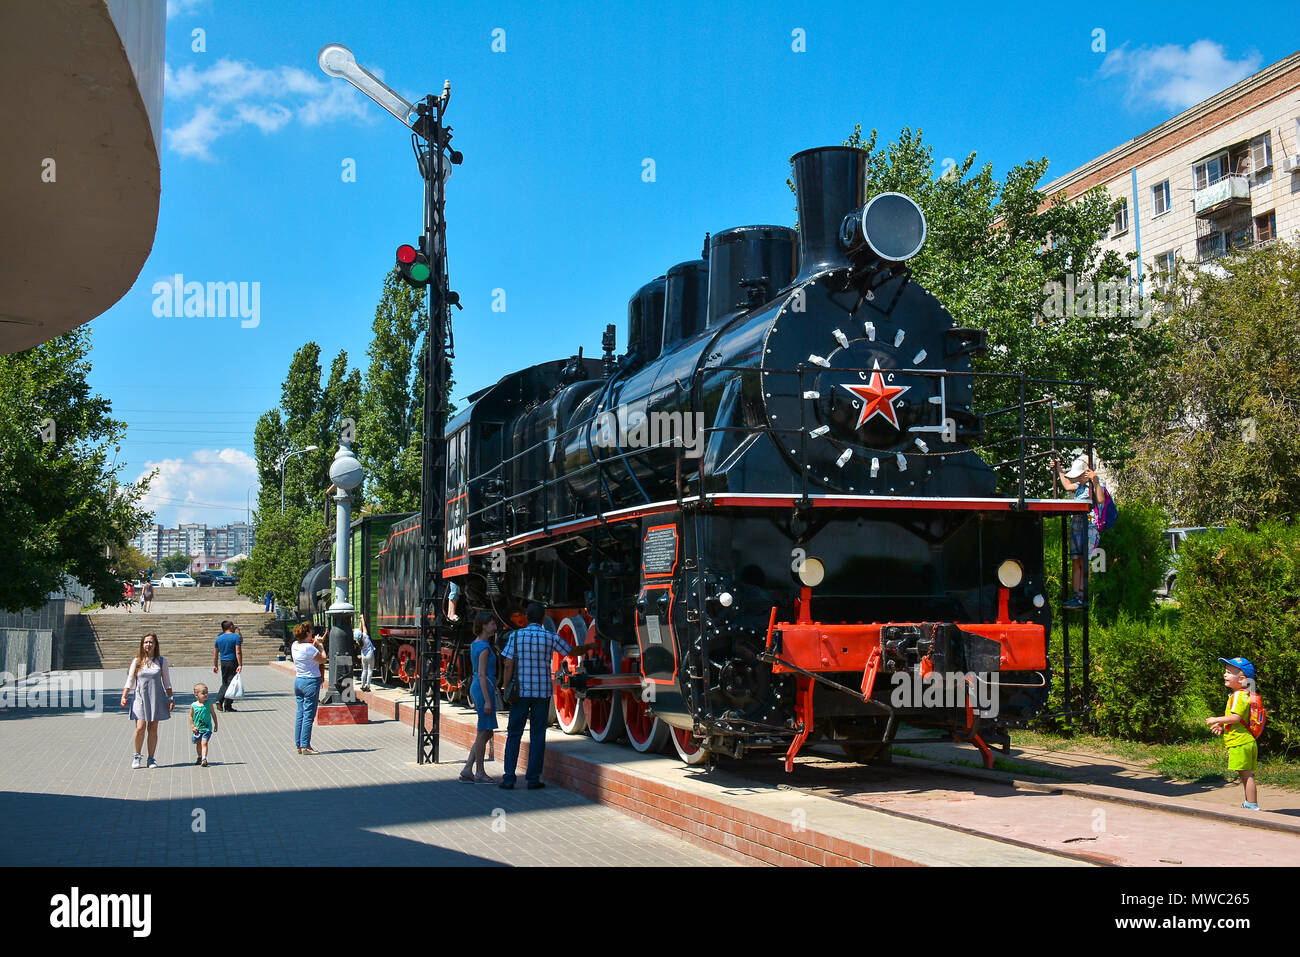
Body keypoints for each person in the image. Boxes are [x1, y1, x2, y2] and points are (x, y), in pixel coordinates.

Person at [498, 602, 599, 790]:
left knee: (514, 734)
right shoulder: (549, 636)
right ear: (543, 618)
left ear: (526, 617)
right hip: (542, 693)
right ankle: (533, 779)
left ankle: (509, 778)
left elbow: (508, 664)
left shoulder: (516, 636)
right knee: (537, 735)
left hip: (520, 693)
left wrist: (505, 687)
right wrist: (589, 646)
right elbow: (571, 651)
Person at [1206, 656, 1260, 810]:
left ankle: (1252, 805)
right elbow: (1239, 719)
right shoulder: (1243, 695)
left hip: (1240, 742)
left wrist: (1216, 719)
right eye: (1225, 671)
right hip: (1245, 740)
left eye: (1229, 672)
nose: (1225, 674)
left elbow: (1236, 717)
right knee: (1246, 774)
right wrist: (1222, 725)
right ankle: (1250, 803)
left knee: (1245, 775)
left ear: (1242, 678)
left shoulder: (1238, 695)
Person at [1052, 453, 1104, 609]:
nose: (1077, 478)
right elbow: (1067, 485)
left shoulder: (1093, 487)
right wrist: (1059, 470)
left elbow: (1101, 500)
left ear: (1087, 473)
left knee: (1084, 561)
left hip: (1089, 528)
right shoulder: (1080, 487)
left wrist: (1096, 482)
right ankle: (1076, 595)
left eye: (1080, 475)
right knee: (1075, 560)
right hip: (1076, 527)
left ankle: (1082, 594)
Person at [120, 633, 174, 769]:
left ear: (155, 645)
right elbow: (130, 680)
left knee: (153, 728)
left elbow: (166, 682)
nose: (148, 645)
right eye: (146, 642)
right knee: (140, 727)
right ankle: (137, 756)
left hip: (156, 698)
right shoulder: (137, 661)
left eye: (151, 642)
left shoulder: (161, 661)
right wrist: (124, 695)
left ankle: (151, 758)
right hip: (140, 698)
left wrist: (171, 698)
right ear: (142, 645)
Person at [461, 612, 500, 783]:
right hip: (484, 687)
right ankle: (479, 771)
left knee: (485, 731)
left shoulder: (474, 644)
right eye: (491, 624)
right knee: (484, 731)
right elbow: (483, 675)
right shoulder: (484, 648)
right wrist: (488, 701)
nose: (494, 626)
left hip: (477, 685)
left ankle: (468, 768)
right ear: (483, 626)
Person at [291, 622, 328, 755]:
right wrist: (321, 646)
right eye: (310, 632)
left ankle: (299, 744)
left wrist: (315, 642)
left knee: (300, 713)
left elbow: (307, 650)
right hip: (311, 682)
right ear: (307, 634)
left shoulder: (295, 646)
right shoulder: (310, 649)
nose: (312, 634)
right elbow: (323, 659)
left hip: (299, 681)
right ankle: (305, 745)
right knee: (309, 715)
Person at [212, 620, 243, 712]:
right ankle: (227, 705)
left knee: (225, 682)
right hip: (233, 661)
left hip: (223, 662)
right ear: (230, 627)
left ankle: (219, 700)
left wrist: (215, 665)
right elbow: (238, 651)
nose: (234, 627)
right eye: (233, 626)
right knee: (232, 683)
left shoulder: (219, 638)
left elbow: (215, 653)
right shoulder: (236, 637)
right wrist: (240, 664)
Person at [189, 682, 218, 767]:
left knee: (204, 743)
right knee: (198, 744)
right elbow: (190, 716)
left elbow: (213, 714)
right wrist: (193, 726)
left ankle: (204, 759)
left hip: (207, 729)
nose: (205, 695)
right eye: (203, 693)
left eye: (207, 692)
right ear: (196, 695)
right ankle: (199, 756)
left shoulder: (209, 704)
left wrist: (216, 724)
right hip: (198, 729)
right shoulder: (194, 705)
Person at [356, 615, 375, 692]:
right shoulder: (365, 636)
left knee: (364, 670)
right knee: (370, 670)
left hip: (363, 656)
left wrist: (360, 621)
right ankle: (368, 685)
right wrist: (362, 619)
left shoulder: (358, 641)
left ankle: (362, 684)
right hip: (370, 654)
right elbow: (363, 627)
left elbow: (359, 630)